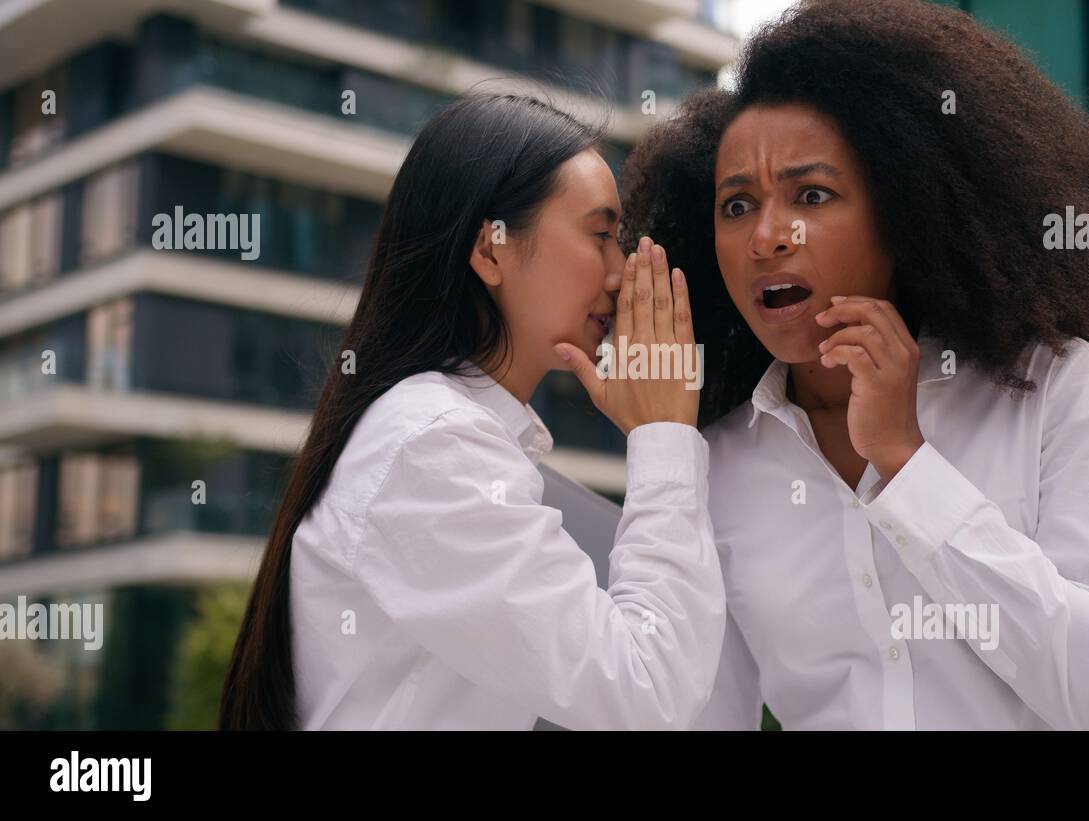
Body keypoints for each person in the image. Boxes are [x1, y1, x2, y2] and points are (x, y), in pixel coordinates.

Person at [619, 0, 1089, 729]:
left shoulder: (1051, 385)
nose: (766, 237)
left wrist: (908, 467)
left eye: (811, 195)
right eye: (737, 205)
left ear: (902, 207)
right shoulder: (717, 465)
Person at [220, 94, 724, 730]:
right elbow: (648, 692)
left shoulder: (444, 436)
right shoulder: (435, 446)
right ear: (492, 251)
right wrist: (665, 438)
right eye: (600, 235)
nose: (621, 273)